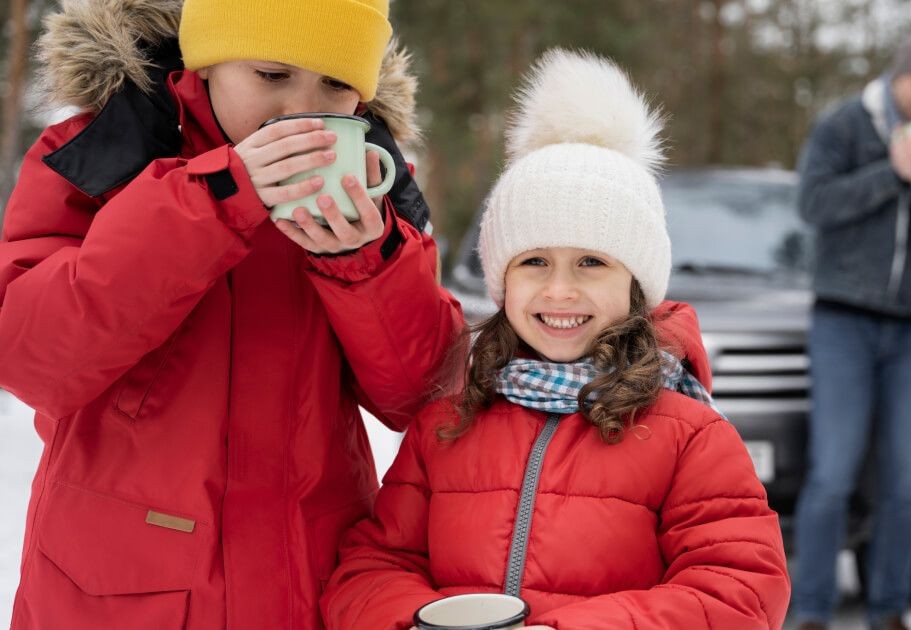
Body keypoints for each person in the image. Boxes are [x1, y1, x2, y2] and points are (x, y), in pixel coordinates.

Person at [0, 1, 463, 627]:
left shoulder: (376, 184)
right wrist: (215, 201)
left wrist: (368, 261)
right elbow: (33, 357)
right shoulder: (100, 153)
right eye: (272, 76)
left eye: (335, 83)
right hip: (117, 589)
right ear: (210, 62)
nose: (304, 109)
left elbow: (420, 394)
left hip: (310, 579)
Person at [320, 49, 791, 630]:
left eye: (592, 262)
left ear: (636, 285)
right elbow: (371, 566)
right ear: (501, 280)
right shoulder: (447, 424)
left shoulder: (690, 436)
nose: (560, 291)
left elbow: (738, 592)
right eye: (535, 261)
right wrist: (416, 620)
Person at [790, 32, 911, 630]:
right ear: (898, 77)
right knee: (832, 472)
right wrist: (892, 173)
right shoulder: (846, 124)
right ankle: (814, 608)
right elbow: (814, 204)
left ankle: (890, 608)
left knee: (905, 478)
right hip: (842, 320)